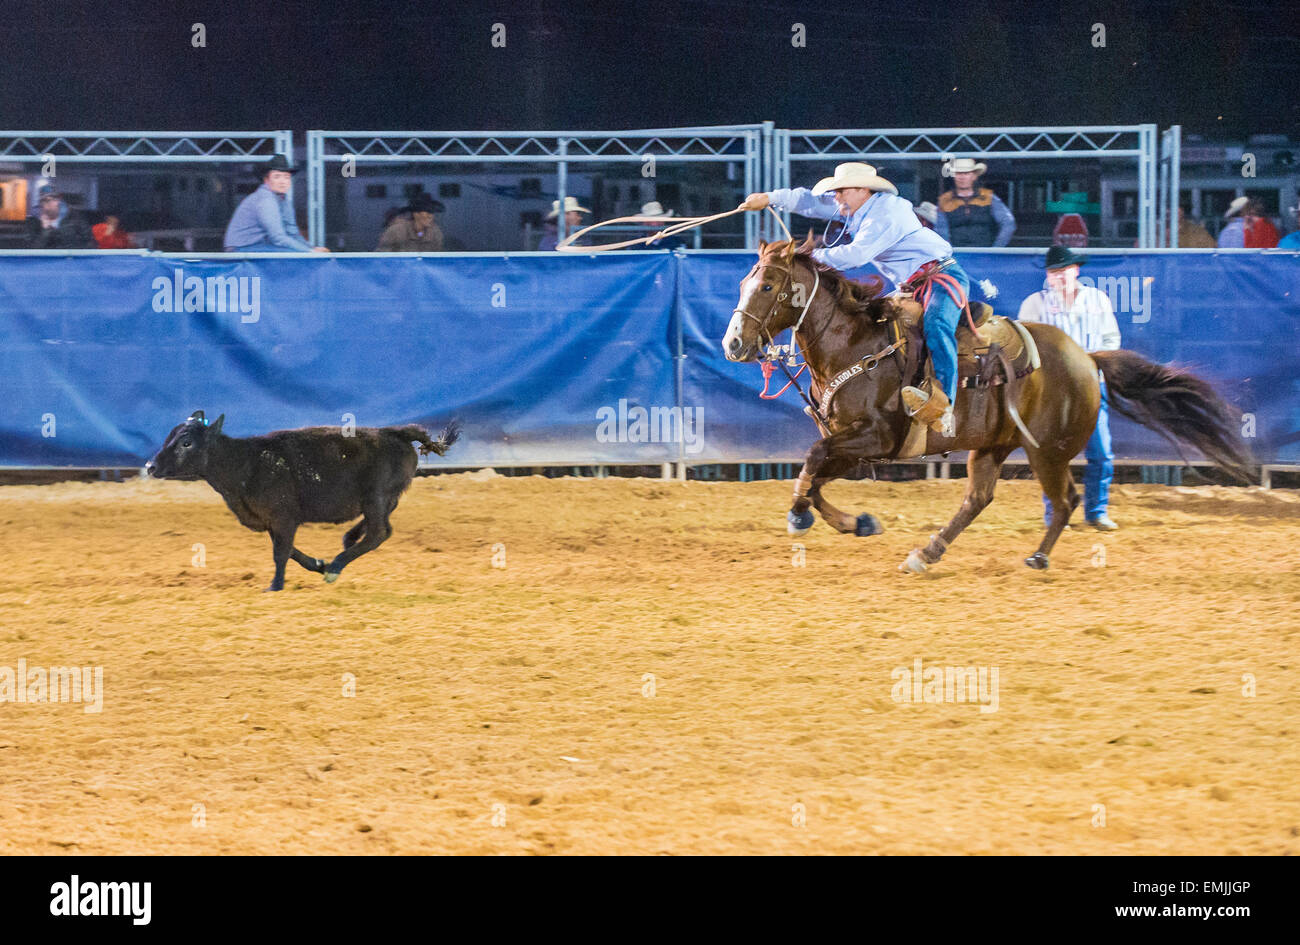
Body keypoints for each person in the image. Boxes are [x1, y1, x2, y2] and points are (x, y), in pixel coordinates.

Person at [739, 162, 966, 436]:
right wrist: (770, 198)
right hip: (909, 286)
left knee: (937, 325)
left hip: (941, 277)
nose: (835, 197)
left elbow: (856, 255)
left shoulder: (887, 212)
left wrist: (804, 259)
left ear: (862, 189)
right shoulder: (855, 207)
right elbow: (811, 202)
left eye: (841, 191)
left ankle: (945, 407)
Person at [1017, 245, 1121, 530]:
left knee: (1101, 452)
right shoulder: (1033, 305)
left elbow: (1111, 340)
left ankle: (1097, 512)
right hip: (1051, 394)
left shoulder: (1097, 300)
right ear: (1048, 276)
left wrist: (1093, 369)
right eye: (1054, 272)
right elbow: (1026, 347)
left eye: (1064, 271)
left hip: (1089, 388)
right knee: (1051, 453)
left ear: (1076, 271)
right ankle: (1055, 514)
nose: (1059, 278)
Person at [223, 154, 328, 253]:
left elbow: (292, 232)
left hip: (260, 246)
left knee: (296, 252)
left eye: (286, 177)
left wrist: (311, 248)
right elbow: (278, 238)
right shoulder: (265, 199)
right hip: (241, 248)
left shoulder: (283, 199)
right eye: (277, 176)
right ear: (266, 180)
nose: (283, 181)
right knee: (293, 254)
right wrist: (310, 252)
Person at [934, 158, 1015, 247]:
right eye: (958, 173)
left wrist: (996, 249)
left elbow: (1008, 223)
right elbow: (941, 230)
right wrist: (949, 252)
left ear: (974, 176)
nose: (962, 177)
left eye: (967, 173)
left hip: (986, 254)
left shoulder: (989, 197)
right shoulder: (944, 200)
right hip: (957, 254)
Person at [26, 186, 94, 249]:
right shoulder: (33, 222)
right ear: (41, 203)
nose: (50, 203)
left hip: (73, 260)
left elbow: (91, 243)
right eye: (45, 200)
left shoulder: (75, 218)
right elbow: (31, 251)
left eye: (54, 199)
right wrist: (45, 231)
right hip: (47, 261)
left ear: (59, 201)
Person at [375, 193, 445, 252]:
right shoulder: (396, 231)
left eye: (432, 212)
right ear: (416, 214)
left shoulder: (436, 233)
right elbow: (381, 258)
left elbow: (438, 261)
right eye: (427, 212)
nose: (431, 216)